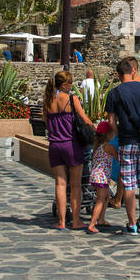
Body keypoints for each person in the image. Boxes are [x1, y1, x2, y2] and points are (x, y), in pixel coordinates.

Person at [104, 57, 140, 235]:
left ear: (118, 74)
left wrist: (120, 133)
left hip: (127, 141)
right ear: (133, 71)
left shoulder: (114, 93)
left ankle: (131, 223)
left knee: (129, 184)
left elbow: (111, 121)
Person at [43, 70, 95, 231]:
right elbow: (85, 119)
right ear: (65, 85)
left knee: (60, 184)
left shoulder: (47, 102)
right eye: (71, 83)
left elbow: (46, 122)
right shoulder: (71, 100)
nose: (72, 86)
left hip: (55, 146)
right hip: (71, 145)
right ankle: (76, 220)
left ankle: (61, 221)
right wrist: (95, 129)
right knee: (76, 185)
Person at [87, 121, 117, 234]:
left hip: (95, 177)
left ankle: (102, 219)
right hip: (101, 178)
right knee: (100, 200)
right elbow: (118, 158)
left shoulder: (97, 146)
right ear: (108, 134)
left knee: (107, 195)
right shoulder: (109, 147)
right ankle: (92, 224)